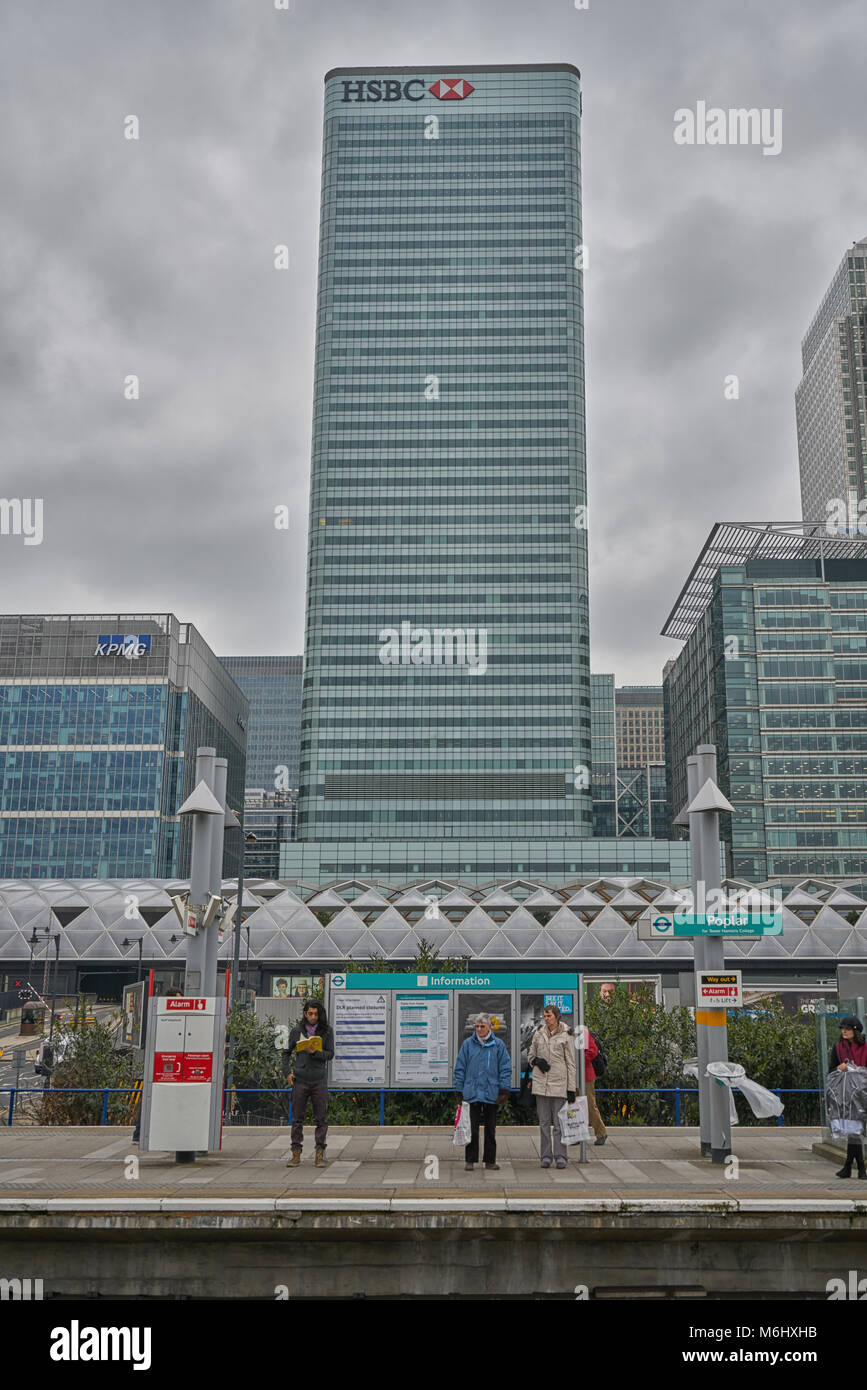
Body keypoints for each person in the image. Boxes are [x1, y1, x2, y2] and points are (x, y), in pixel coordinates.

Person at [453, 1014, 511, 1171]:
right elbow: (460, 1068)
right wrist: (459, 1089)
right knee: (471, 1128)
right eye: (476, 1026)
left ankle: (490, 1161)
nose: (479, 1029)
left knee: (490, 1129)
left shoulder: (498, 1045)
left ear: (489, 1027)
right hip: (471, 1092)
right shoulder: (467, 1044)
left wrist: (504, 1089)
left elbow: (505, 1068)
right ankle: (470, 1160)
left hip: (491, 1092)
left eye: (482, 1026)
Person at [285, 999, 334, 1167]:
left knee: (321, 1118)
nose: (313, 1017)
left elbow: (330, 1054)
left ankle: (319, 1154)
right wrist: (287, 1072)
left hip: (318, 1079)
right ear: (305, 1014)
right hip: (300, 1079)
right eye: (310, 1013)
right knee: (297, 1118)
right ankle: (295, 1154)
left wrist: (316, 1052)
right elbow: (286, 1052)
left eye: (316, 1014)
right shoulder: (297, 1031)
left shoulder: (326, 1031)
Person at [528, 1004, 576, 1169]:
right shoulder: (539, 1033)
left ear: (556, 1016)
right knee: (544, 1123)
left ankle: (561, 1156)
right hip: (541, 1084)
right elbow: (530, 1056)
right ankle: (546, 1156)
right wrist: (537, 1062)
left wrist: (571, 1088)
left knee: (559, 1123)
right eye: (544, 1016)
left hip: (559, 1084)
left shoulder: (567, 1034)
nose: (546, 1019)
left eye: (549, 1016)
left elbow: (571, 1063)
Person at [131, 987, 182, 1143]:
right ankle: (140, 1133)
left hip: (166, 1063)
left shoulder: (161, 1015)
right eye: (178, 1000)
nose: (180, 1003)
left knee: (154, 1099)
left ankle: (143, 1132)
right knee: (151, 1098)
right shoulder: (162, 1015)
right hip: (161, 1064)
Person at [828, 1015, 867, 1179]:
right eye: (842, 1028)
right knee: (853, 1130)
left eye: (848, 1028)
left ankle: (849, 1167)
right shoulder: (838, 1048)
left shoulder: (865, 1048)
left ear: (856, 1031)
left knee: (856, 1130)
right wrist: (840, 1068)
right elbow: (831, 1071)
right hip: (845, 1095)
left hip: (863, 1094)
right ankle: (859, 1169)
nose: (844, 1031)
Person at [577, 1025, 607, 1145]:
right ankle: (577, 1134)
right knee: (575, 1105)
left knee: (589, 1105)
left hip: (585, 1075)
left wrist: (578, 1060)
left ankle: (601, 1133)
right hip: (574, 1074)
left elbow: (593, 1051)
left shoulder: (582, 1031)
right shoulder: (567, 1031)